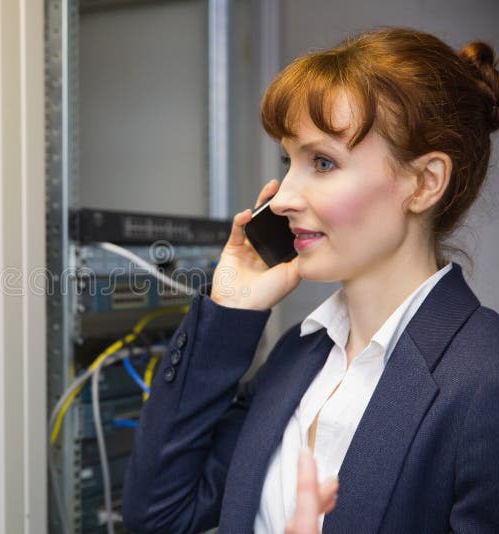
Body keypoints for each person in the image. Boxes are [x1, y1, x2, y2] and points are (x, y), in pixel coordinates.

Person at [122, 27, 499, 534]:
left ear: (425, 182)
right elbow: (158, 515)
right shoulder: (297, 359)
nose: (281, 200)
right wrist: (230, 314)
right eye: (289, 161)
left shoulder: (483, 379)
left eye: (322, 162)